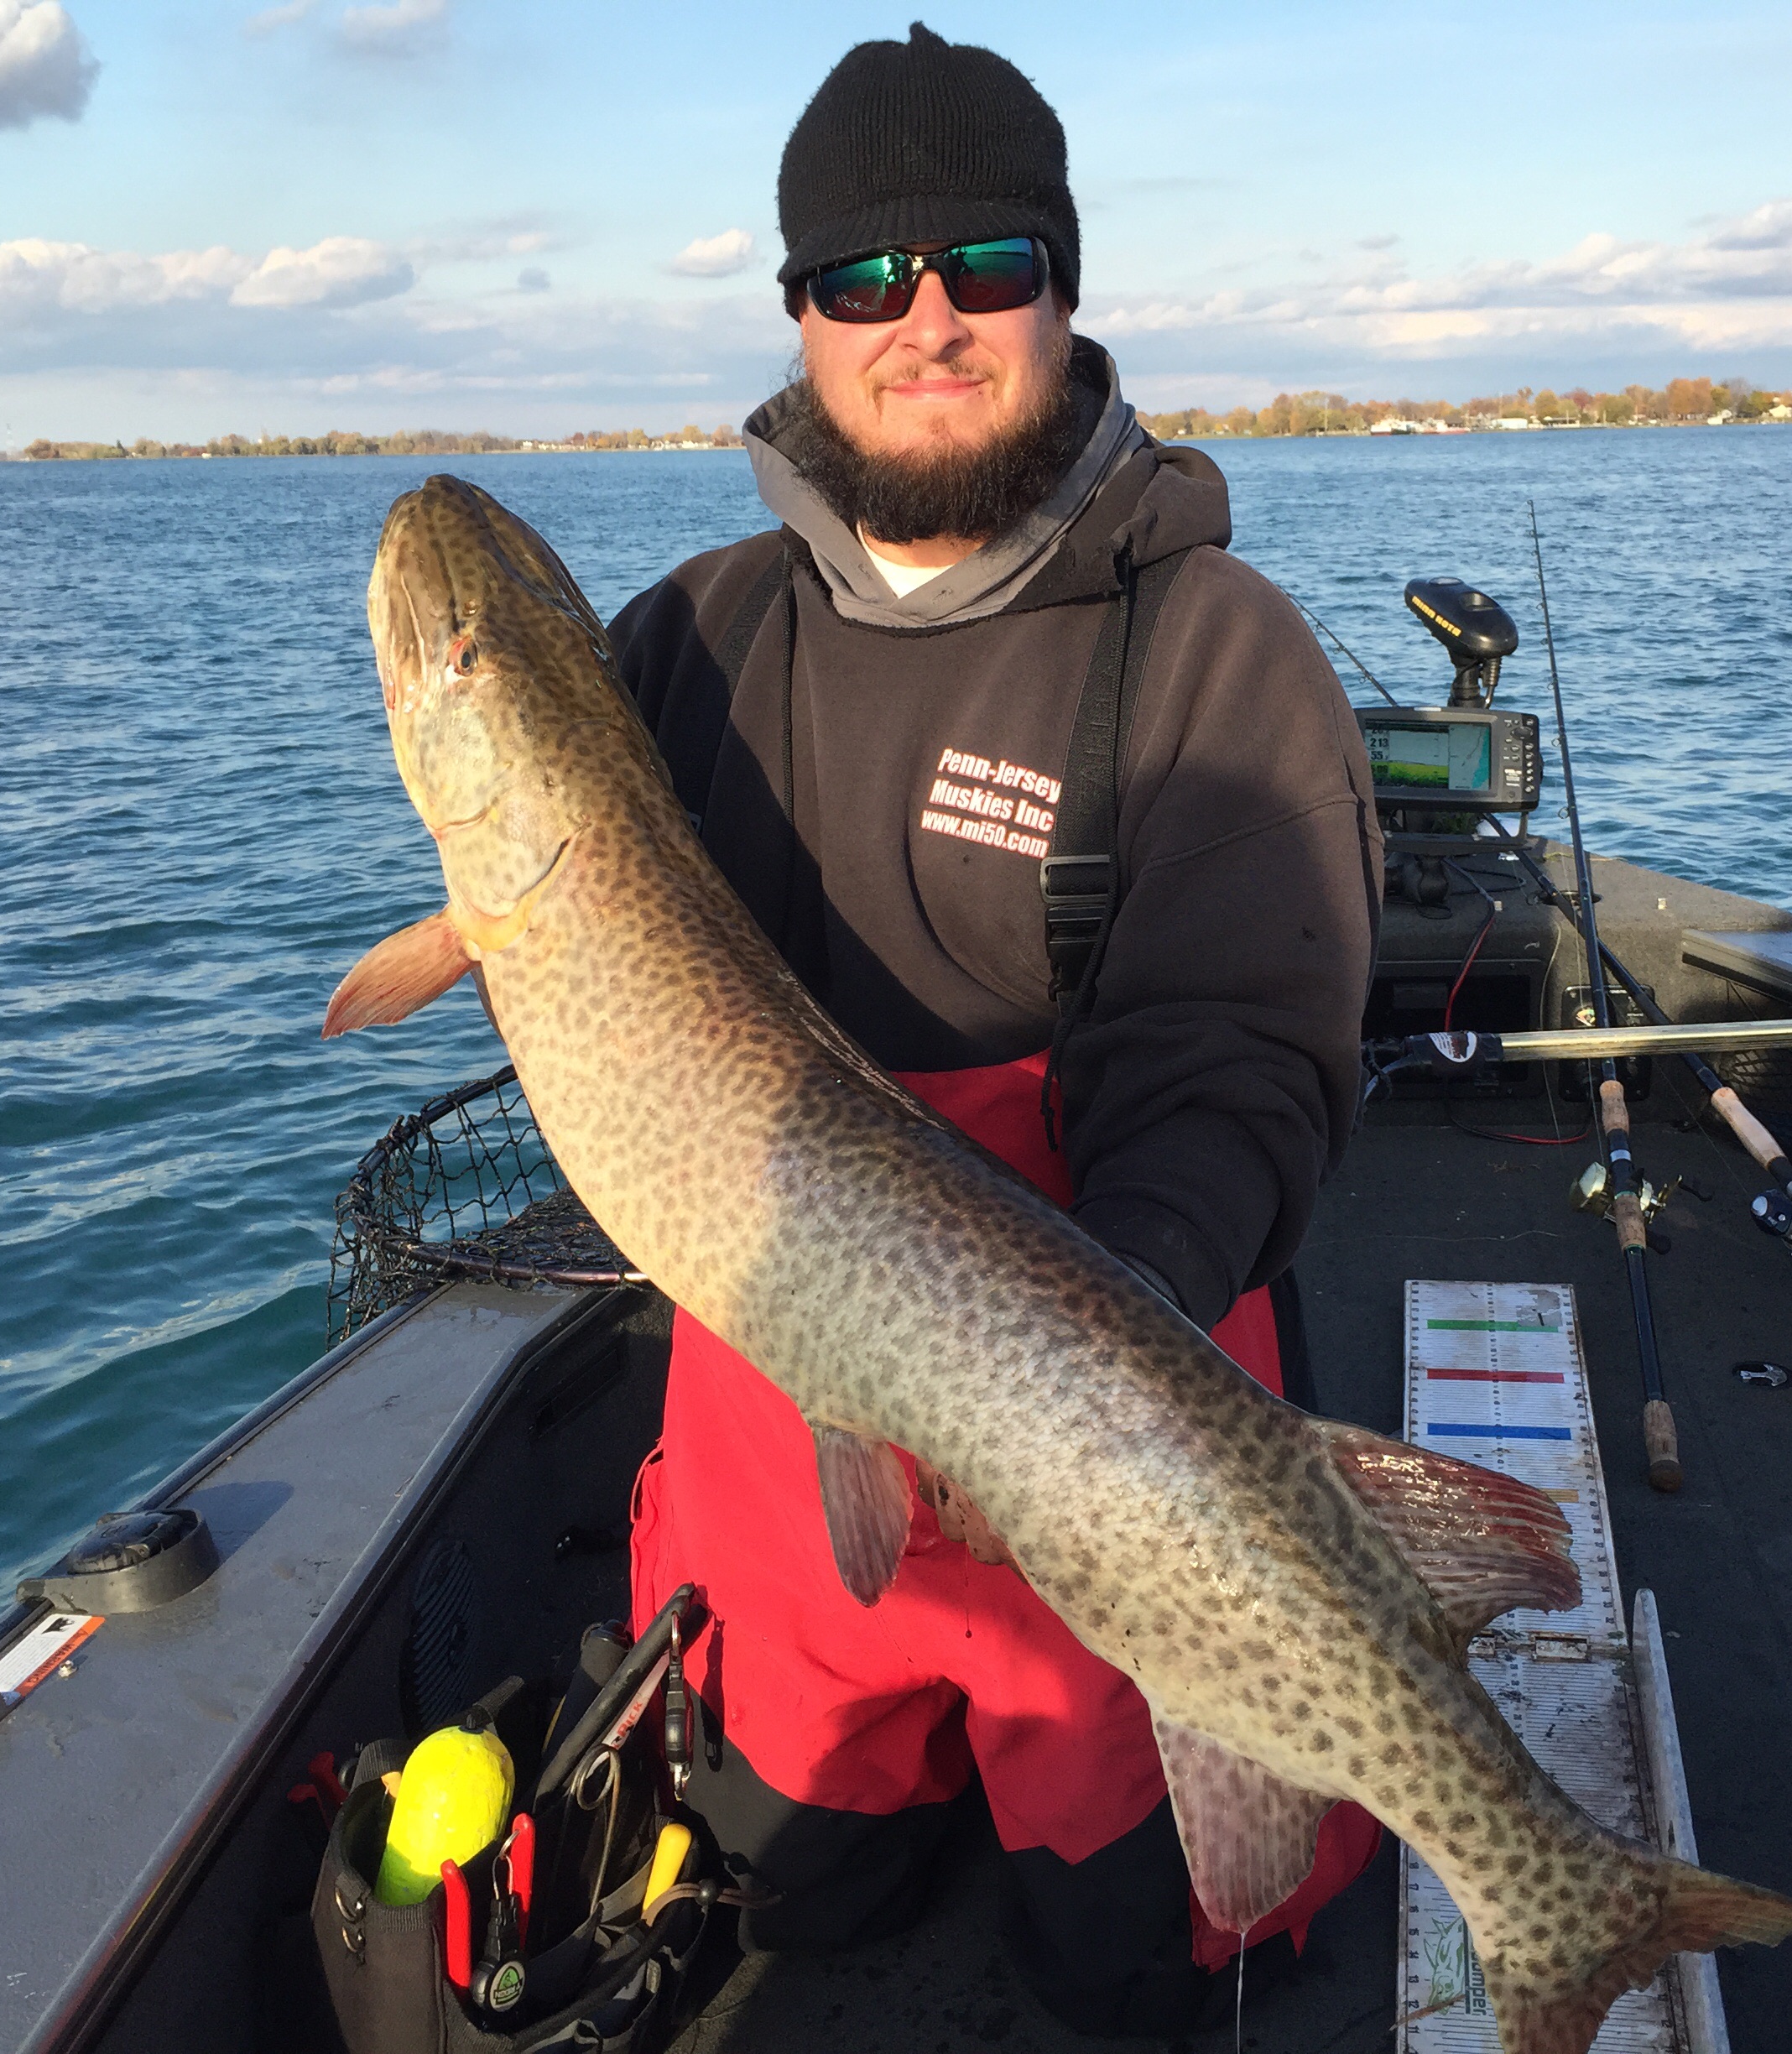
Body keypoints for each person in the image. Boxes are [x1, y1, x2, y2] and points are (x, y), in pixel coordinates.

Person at [607, 23, 1383, 2036]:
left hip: (1107, 1455)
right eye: (866, 276)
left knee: (1133, 1963)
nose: (925, 318)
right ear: (801, 314)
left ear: (1060, 289)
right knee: (785, 1916)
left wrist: (1058, 1397)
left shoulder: (1218, 650)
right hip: (789, 1450)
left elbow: (1244, 1068)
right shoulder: (686, 639)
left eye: (985, 266)